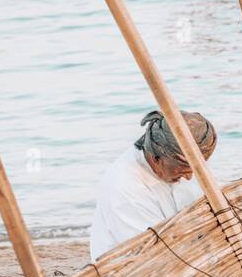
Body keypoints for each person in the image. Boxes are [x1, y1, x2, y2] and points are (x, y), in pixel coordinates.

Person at [89, 109, 217, 262]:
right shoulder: (125, 187)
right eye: (183, 170)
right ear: (155, 159)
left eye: (195, 169)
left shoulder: (183, 161)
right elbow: (153, 254)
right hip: (133, 270)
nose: (189, 177)